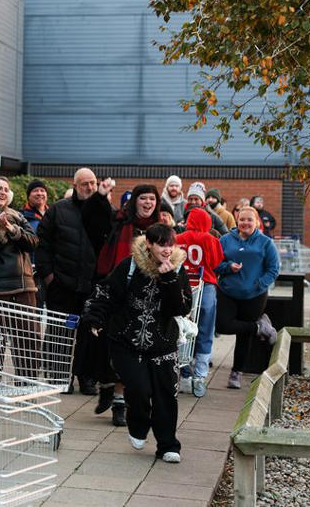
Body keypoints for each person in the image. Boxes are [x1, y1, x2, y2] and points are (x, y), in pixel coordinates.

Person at [82, 224, 192, 463]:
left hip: (163, 343)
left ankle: (168, 445)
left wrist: (169, 278)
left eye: (170, 244)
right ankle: (138, 425)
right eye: (161, 244)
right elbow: (106, 292)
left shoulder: (177, 269)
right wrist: (95, 318)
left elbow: (181, 308)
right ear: (149, 244)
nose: (166, 249)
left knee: (165, 395)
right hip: (126, 340)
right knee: (139, 389)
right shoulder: (129, 266)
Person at [90, 184, 160, 426]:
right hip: (116, 292)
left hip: (145, 298)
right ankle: (107, 387)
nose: (148, 203)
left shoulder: (160, 229)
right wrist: (100, 194)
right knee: (106, 349)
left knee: (130, 352)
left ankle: (119, 404)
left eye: (152, 198)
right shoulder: (119, 222)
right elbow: (94, 216)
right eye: (143, 198)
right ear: (134, 202)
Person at [36, 167, 110, 395]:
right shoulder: (58, 210)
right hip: (62, 285)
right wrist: (49, 276)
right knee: (60, 333)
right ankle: (60, 377)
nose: (89, 187)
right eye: (84, 183)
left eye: (93, 183)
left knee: (89, 335)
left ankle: (87, 378)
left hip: (91, 286)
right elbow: (43, 245)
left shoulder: (104, 211)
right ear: (75, 185)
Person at [0, 176, 39, 377]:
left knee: (29, 344)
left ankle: (27, 389)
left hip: (24, 288)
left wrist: (12, 229)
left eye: (6, 189)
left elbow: (33, 242)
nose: (3, 192)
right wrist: (0, 230)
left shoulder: (17, 216)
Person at [215, 206, 280, 389]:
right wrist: (228, 267)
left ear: (257, 222)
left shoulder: (265, 242)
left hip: (254, 295)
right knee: (222, 325)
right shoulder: (226, 240)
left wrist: (259, 283)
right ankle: (260, 326)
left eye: (249, 220)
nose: (245, 223)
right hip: (228, 292)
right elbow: (215, 263)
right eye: (242, 219)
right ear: (237, 220)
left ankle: (236, 372)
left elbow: (273, 268)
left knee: (243, 335)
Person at [175, 209, 223, 397]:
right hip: (206, 287)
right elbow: (216, 262)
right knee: (205, 330)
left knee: (182, 330)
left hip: (183, 287)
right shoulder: (211, 239)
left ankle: (185, 373)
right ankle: (200, 375)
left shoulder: (178, 238)